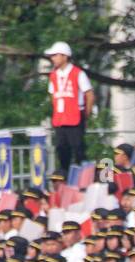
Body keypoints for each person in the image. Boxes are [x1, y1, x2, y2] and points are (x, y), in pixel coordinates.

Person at [45, 41, 94, 173]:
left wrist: (86, 114)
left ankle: (83, 176)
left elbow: (89, 94)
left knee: (78, 149)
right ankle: (65, 176)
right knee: (61, 149)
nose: (53, 58)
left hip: (75, 117)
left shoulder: (78, 73)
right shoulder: (53, 75)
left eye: (56, 55)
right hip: (60, 118)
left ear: (65, 56)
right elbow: (52, 95)